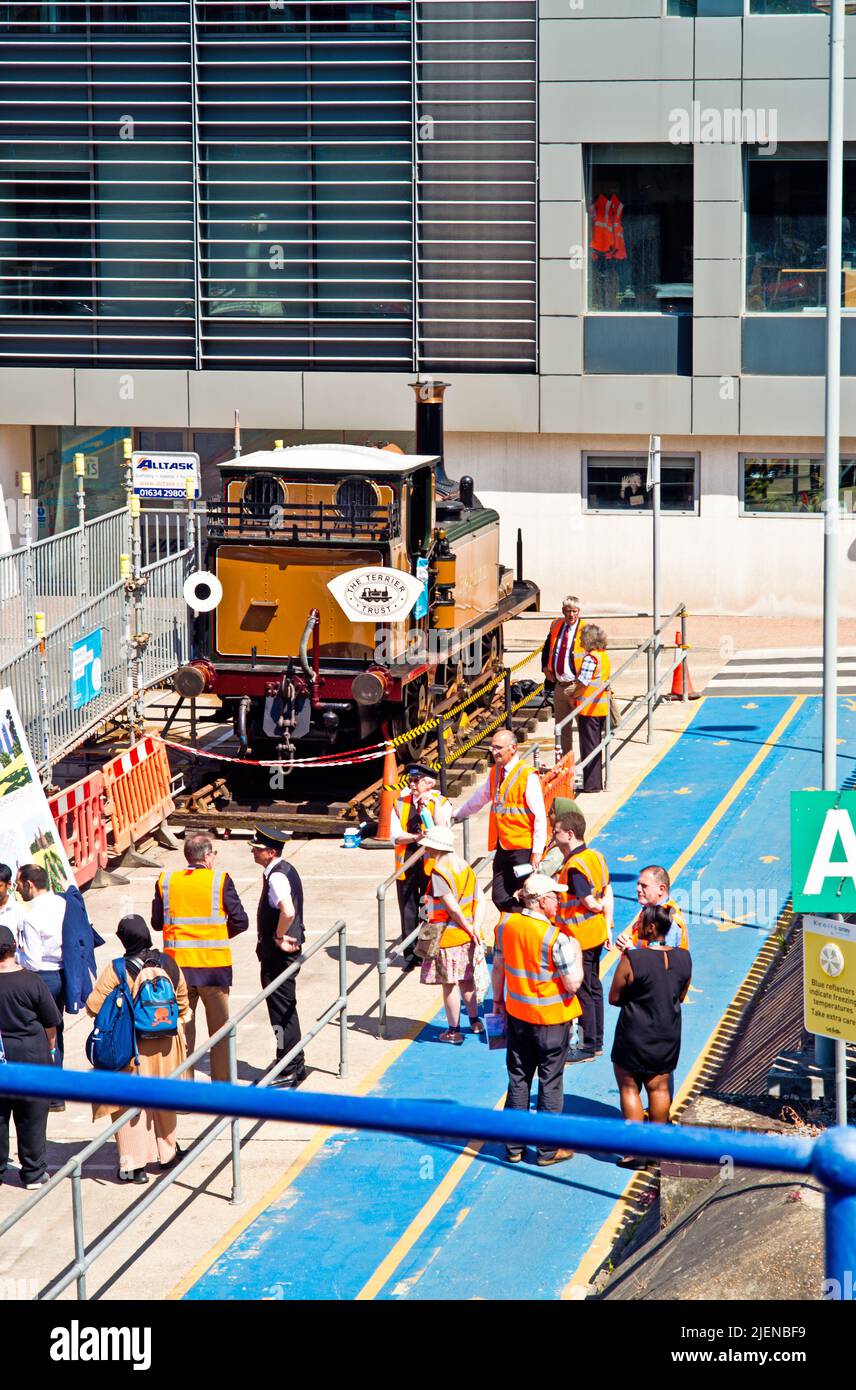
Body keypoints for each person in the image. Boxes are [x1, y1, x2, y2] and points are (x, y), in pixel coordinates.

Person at [86, 915, 192, 1184]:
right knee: (164, 1098)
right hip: (168, 1046)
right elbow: (182, 999)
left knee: (130, 1105)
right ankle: (168, 1153)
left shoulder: (118, 968)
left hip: (132, 1048)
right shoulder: (168, 962)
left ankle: (134, 1165)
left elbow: (93, 1006)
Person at [491, 874, 583, 1166]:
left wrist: (497, 1002)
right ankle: (547, 1150)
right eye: (555, 897)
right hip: (551, 1021)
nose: (559, 901)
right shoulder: (557, 939)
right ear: (543, 902)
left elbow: (499, 967)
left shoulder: (506, 926)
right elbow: (572, 984)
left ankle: (514, 1146)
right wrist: (578, 954)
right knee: (550, 1082)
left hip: (518, 1016)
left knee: (518, 1079)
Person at [152, 832, 249, 1082]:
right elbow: (241, 921)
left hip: (178, 970)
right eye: (214, 853)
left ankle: (185, 1091)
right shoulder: (220, 880)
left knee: (182, 1031)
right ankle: (222, 1088)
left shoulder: (166, 881)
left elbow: (156, 922)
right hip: (213, 968)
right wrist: (217, 933)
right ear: (207, 856)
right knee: (220, 1032)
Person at [609, 905, 692, 1165]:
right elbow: (680, 994)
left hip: (634, 1033)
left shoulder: (633, 959)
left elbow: (614, 997)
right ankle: (657, 1151)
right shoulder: (684, 958)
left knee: (629, 1086)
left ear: (651, 928)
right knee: (658, 1088)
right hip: (667, 1033)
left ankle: (635, 1151)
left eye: (641, 923)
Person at [454, 729, 547, 913]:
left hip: (523, 848)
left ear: (513, 748)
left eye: (498, 748)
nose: (494, 751)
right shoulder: (496, 772)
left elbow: (539, 817)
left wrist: (536, 852)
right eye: (492, 747)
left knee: (530, 895)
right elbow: (480, 798)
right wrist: (456, 813)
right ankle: (522, 921)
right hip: (504, 847)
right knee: (499, 896)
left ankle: (531, 927)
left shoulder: (527, 775)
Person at [0, 923, 60, 1189]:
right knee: (33, 1116)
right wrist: (49, 1048)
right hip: (32, 1057)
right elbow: (51, 1022)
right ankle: (33, 1173)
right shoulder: (31, 980)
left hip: (2, 1059)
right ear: (16, 947)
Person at [552, 806, 613, 1062]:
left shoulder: (574, 867)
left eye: (556, 832)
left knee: (584, 992)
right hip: (596, 932)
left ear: (569, 834)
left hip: (581, 938)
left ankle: (587, 1047)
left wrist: (595, 906)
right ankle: (596, 1041)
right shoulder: (595, 856)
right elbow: (606, 891)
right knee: (594, 987)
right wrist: (607, 922)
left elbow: (588, 900)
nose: (553, 837)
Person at [250, 825, 306, 1088]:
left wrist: (277, 936)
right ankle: (289, 1059)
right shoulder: (283, 869)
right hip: (280, 954)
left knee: (281, 1011)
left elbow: (288, 911)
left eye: (258, 848)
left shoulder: (276, 877)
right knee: (283, 1009)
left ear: (270, 852)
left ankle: (290, 1066)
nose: (253, 851)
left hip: (278, 955)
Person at [418, 826, 483, 1044]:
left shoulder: (439, 872)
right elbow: (479, 900)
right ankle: (475, 1022)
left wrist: (464, 926)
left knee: (450, 985)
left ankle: (453, 1031)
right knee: (467, 981)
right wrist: (473, 927)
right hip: (467, 935)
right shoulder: (465, 867)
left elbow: (452, 907)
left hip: (448, 936)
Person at [390, 763, 453, 972]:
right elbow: (395, 835)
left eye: (416, 780)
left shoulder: (441, 803)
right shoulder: (399, 803)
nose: (412, 784)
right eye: (411, 780)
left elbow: (443, 829)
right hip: (407, 863)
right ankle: (410, 954)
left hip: (432, 865)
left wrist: (429, 807)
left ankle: (430, 951)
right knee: (408, 910)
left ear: (430, 783)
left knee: (431, 909)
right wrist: (417, 837)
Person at [16, 864, 68, 1100]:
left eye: (18, 884)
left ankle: (48, 1091)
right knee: (56, 1029)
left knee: (43, 1035)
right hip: (62, 974)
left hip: (43, 977)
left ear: (29, 884)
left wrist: (16, 955)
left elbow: (34, 962)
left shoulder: (31, 916)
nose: (17, 889)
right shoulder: (62, 903)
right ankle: (58, 1089)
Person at [541, 597, 585, 756]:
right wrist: (545, 668)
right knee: (561, 730)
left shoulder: (586, 630)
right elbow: (547, 648)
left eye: (574, 611)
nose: (571, 615)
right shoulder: (557, 625)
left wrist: (583, 684)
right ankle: (565, 768)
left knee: (585, 729)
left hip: (578, 687)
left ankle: (589, 764)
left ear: (579, 612)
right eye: (568, 611)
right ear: (563, 611)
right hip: (560, 686)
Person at [571, 624, 611, 793]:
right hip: (600, 707)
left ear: (589, 640)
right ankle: (594, 782)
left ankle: (591, 784)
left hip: (589, 709)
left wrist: (572, 693)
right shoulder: (603, 656)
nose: (579, 640)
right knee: (595, 745)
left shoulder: (590, 658)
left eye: (582, 638)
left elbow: (583, 682)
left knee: (589, 746)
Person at [615, 865, 689, 954]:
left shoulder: (667, 921)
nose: (638, 889)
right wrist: (629, 943)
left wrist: (630, 949)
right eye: (638, 884)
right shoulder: (651, 909)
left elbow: (662, 961)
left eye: (644, 886)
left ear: (661, 889)